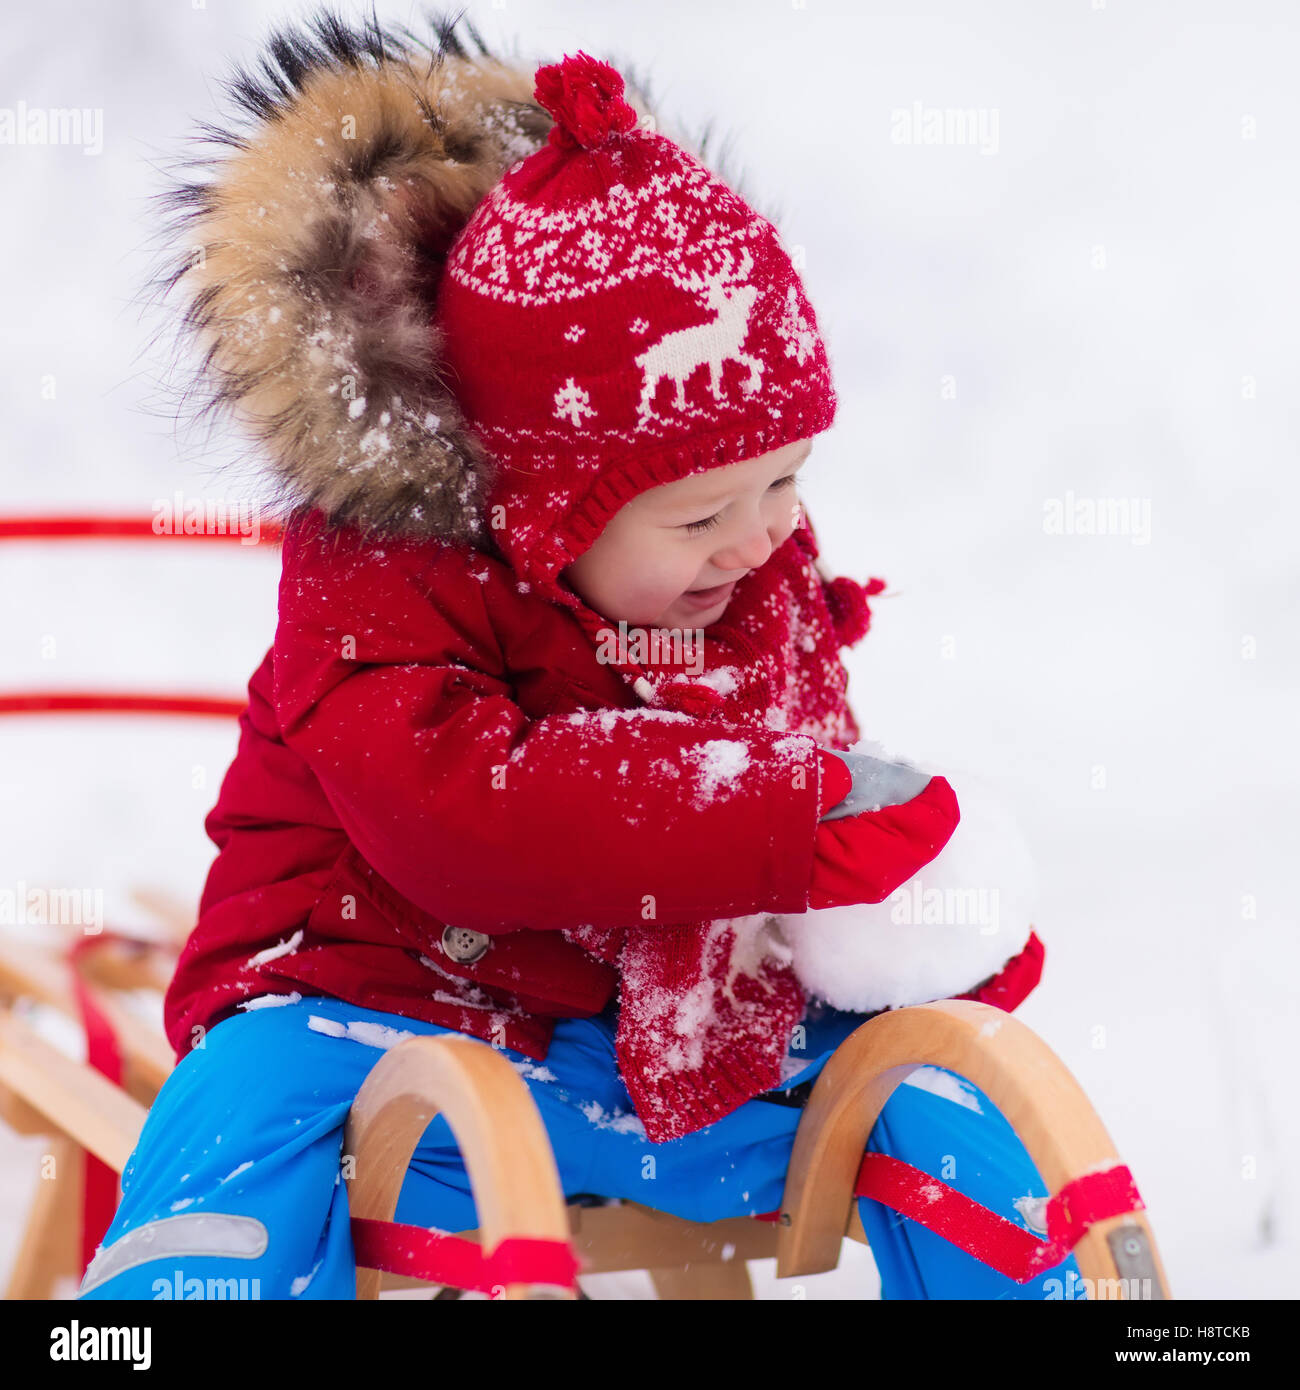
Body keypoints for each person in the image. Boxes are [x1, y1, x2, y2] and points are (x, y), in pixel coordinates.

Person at [79, 16, 1069, 1300]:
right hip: (371, 1001)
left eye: (786, 479)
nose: (763, 536)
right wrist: (776, 816)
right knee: (241, 1115)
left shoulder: (747, 570)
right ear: (544, 505)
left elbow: (796, 817)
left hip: (638, 1043)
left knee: (932, 1082)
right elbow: (468, 820)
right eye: (703, 511)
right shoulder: (378, 585)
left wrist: (902, 918)